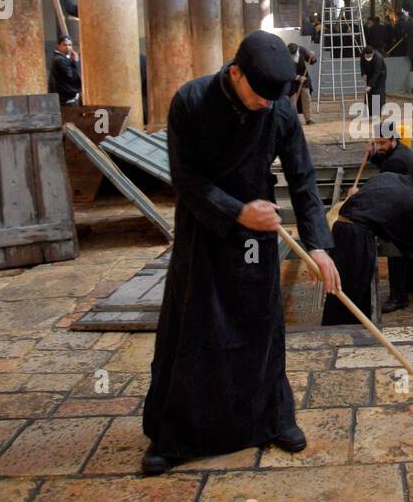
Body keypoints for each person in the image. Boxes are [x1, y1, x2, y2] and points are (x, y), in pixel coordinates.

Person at [141, 32, 340, 475]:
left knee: (260, 324)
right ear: (235, 73)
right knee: (197, 327)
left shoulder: (277, 108)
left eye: (275, 99)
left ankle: (270, 419)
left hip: (255, 239)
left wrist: (319, 247)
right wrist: (236, 213)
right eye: (260, 95)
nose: (267, 106)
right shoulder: (190, 101)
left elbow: (303, 180)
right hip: (205, 229)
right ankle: (176, 436)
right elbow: (185, 178)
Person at [322, 160, 413, 323]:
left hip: (340, 229)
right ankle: (343, 333)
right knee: (354, 291)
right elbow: (410, 243)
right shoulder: (409, 200)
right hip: (357, 237)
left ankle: (347, 329)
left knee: (343, 285)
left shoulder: (387, 177)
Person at [287, 42, 316, 124]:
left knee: (306, 96)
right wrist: (298, 78)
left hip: (304, 78)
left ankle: (308, 118)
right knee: (292, 100)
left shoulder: (302, 50)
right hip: (292, 80)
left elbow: (311, 61)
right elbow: (285, 71)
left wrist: (312, 57)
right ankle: (294, 120)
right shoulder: (284, 55)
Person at [48, 34, 82, 105]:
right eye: (65, 45)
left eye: (70, 45)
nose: (68, 47)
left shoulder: (59, 58)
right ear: (58, 46)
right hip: (66, 100)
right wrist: (75, 62)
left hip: (62, 99)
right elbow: (72, 77)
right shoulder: (60, 60)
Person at [360, 45, 387, 121]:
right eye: (366, 56)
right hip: (369, 73)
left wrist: (370, 85)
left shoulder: (378, 58)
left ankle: (379, 113)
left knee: (378, 92)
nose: (368, 58)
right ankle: (369, 113)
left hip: (380, 75)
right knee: (369, 94)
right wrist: (363, 73)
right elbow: (362, 65)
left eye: (369, 56)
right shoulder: (362, 55)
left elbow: (376, 73)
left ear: (372, 53)